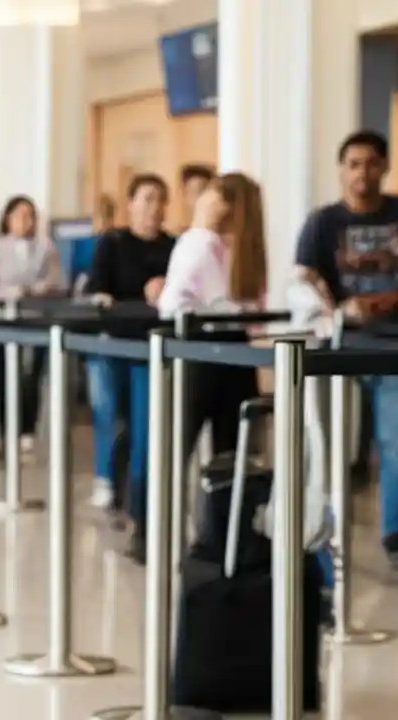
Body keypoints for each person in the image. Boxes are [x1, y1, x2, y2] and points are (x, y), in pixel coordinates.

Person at [291, 130, 398, 570]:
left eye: (371, 163)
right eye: (353, 164)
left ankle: (396, 534)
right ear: (341, 170)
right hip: (339, 346)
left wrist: (397, 300)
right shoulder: (322, 222)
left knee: (392, 444)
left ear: (385, 167)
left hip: (395, 342)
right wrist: (337, 308)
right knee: (332, 442)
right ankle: (327, 532)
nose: (362, 173)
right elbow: (303, 278)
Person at [86, 173, 176, 563]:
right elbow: (98, 288)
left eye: (160, 199)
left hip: (152, 349)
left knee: (145, 428)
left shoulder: (174, 246)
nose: (154, 207)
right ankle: (111, 482)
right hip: (114, 344)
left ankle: (138, 510)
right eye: (147, 198)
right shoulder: (113, 242)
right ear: (132, 203)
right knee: (115, 419)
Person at [158, 172, 266, 462]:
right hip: (238, 354)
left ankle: (157, 508)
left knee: (174, 449)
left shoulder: (198, 241)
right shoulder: (247, 249)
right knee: (231, 454)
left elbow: (169, 304)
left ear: (221, 204)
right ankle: (223, 509)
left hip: (196, 350)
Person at [0, 195, 65, 464]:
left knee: (31, 377)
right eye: (19, 215)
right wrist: (11, 292)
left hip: (36, 320)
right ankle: (1, 434)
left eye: (30, 216)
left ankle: (26, 429)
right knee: (2, 381)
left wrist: (39, 290)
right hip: (1, 322)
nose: (25, 221)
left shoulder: (46, 248)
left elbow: (59, 281)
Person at [179, 164, 215, 231]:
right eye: (199, 192)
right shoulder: (180, 239)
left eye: (208, 192)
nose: (205, 198)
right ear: (185, 194)